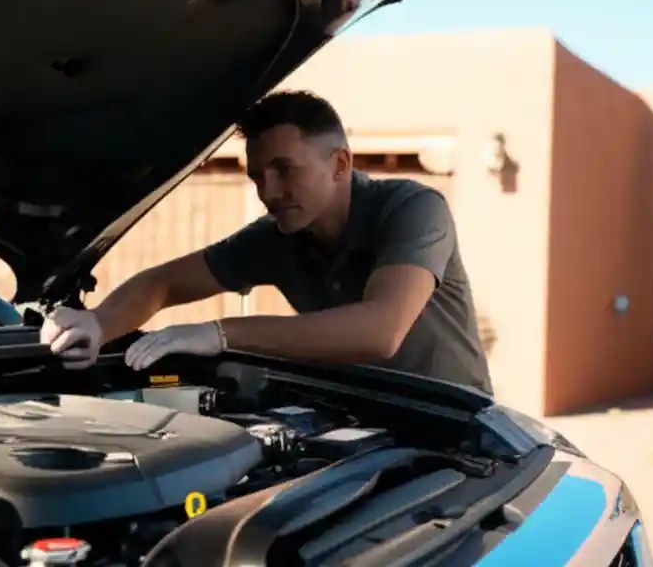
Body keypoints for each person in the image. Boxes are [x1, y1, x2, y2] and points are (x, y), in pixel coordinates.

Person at [39, 90, 493, 394]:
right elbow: (163, 284)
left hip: (462, 433)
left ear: (340, 163)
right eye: (258, 175)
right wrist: (98, 323)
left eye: (285, 170)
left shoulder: (413, 209)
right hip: (368, 421)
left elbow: (380, 331)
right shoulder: (278, 235)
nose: (268, 192)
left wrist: (219, 335)